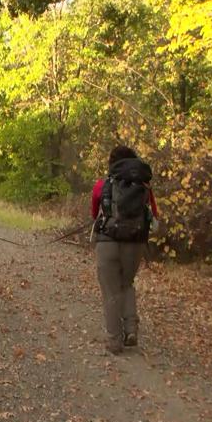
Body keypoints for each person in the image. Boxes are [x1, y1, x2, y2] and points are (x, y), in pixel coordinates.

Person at [91, 146, 158, 354]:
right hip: (136, 243)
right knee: (127, 283)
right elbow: (154, 216)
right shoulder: (144, 186)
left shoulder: (102, 184)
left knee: (111, 291)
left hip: (108, 242)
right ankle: (131, 330)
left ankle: (114, 340)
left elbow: (95, 213)